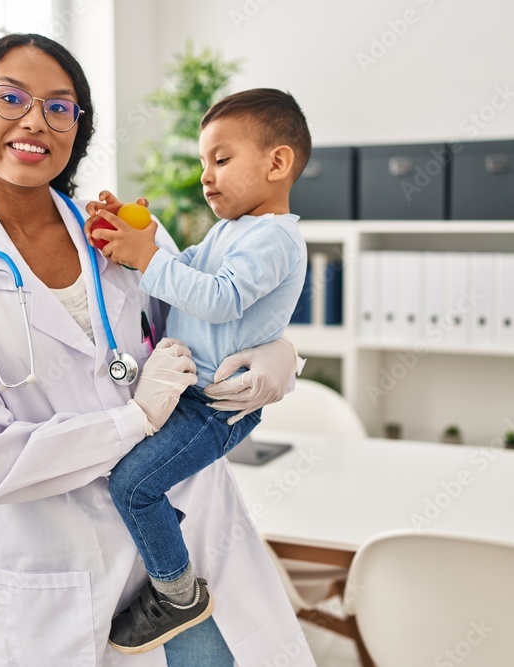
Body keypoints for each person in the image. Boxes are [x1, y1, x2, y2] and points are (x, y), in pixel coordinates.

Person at [0, 33, 316, 667]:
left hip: (194, 552)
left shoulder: (124, 234)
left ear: (75, 131)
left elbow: (215, 314)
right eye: (11, 98)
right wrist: (131, 422)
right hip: (66, 582)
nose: (35, 119)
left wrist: (283, 352)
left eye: (60, 106)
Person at [85, 89, 311, 654]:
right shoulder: (233, 230)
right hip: (190, 393)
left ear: (277, 163)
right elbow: (188, 270)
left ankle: (177, 593)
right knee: (138, 479)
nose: (206, 177)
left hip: (214, 407)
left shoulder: (275, 237)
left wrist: (148, 257)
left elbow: (219, 298)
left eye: (222, 159)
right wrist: (140, 233)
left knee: (133, 486)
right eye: (202, 163)